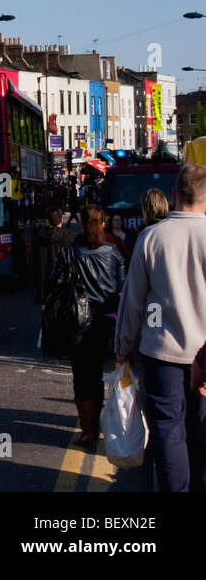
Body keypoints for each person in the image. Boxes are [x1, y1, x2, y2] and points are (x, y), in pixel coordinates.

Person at [114, 164, 206, 491]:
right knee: (199, 429)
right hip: (204, 354)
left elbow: (133, 301)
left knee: (167, 429)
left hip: (161, 352)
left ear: (175, 194)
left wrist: (122, 348)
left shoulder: (152, 237)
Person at [50, 206, 125, 447]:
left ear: (81, 225)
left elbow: (54, 281)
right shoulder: (113, 252)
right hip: (104, 320)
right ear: (103, 224)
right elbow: (122, 287)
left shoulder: (70, 252)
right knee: (96, 374)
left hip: (77, 320)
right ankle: (97, 426)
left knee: (81, 377)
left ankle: (88, 429)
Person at [36, 208, 77, 305]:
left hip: (45, 281)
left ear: (47, 220)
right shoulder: (70, 236)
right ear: (61, 220)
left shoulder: (39, 237)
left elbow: (35, 263)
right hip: (65, 280)